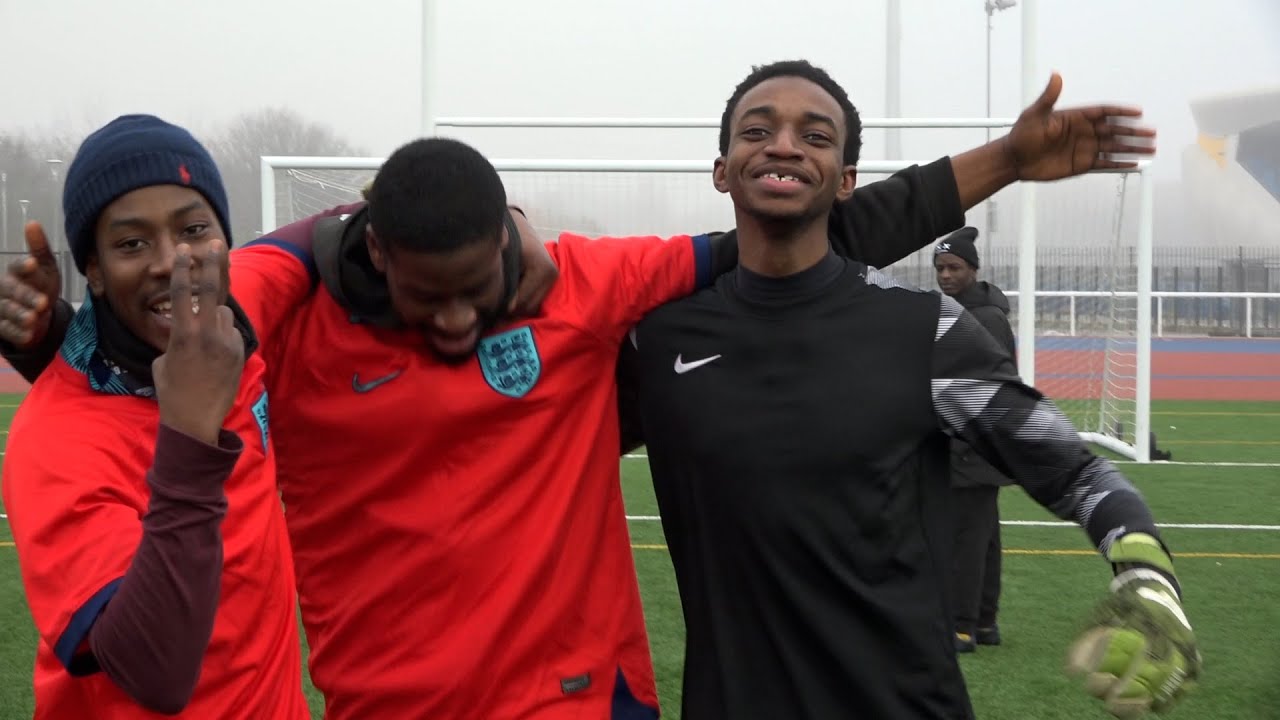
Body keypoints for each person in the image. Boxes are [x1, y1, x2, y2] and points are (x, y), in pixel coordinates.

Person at [0, 71, 1164, 718]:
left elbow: (805, 234)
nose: (461, 323)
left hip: (598, 705)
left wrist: (1001, 163)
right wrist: (69, 340)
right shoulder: (286, 319)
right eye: (430, 300)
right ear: (374, 256)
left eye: (484, 292)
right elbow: (174, 343)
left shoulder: (592, 288)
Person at [624, 60, 1199, 719]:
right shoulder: (659, 340)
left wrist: (1147, 575)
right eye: (757, 129)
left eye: (814, 136)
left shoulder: (927, 331)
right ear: (723, 168)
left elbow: (1080, 474)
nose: (782, 144)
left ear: (845, 181)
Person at [0, 115, 312, 718]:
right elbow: (156, 671)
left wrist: (503, 225)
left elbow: (317, 237)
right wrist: (191, 434)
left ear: (226, 236)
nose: (174, 261)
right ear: (92, 269)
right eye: (131, 243)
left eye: (195, 228)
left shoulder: (237, 305)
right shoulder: (57, 438)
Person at [933, 226, 1016, 654]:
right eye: (941, 268)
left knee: (965, 537)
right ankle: (984, 622)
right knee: (983, 536)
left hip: (973, 443)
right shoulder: (959, 311)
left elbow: (994, 384)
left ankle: (961, 626)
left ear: (973, 269)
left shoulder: (985, 318)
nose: (946, 275)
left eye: (955, 267)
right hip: (973, 443)